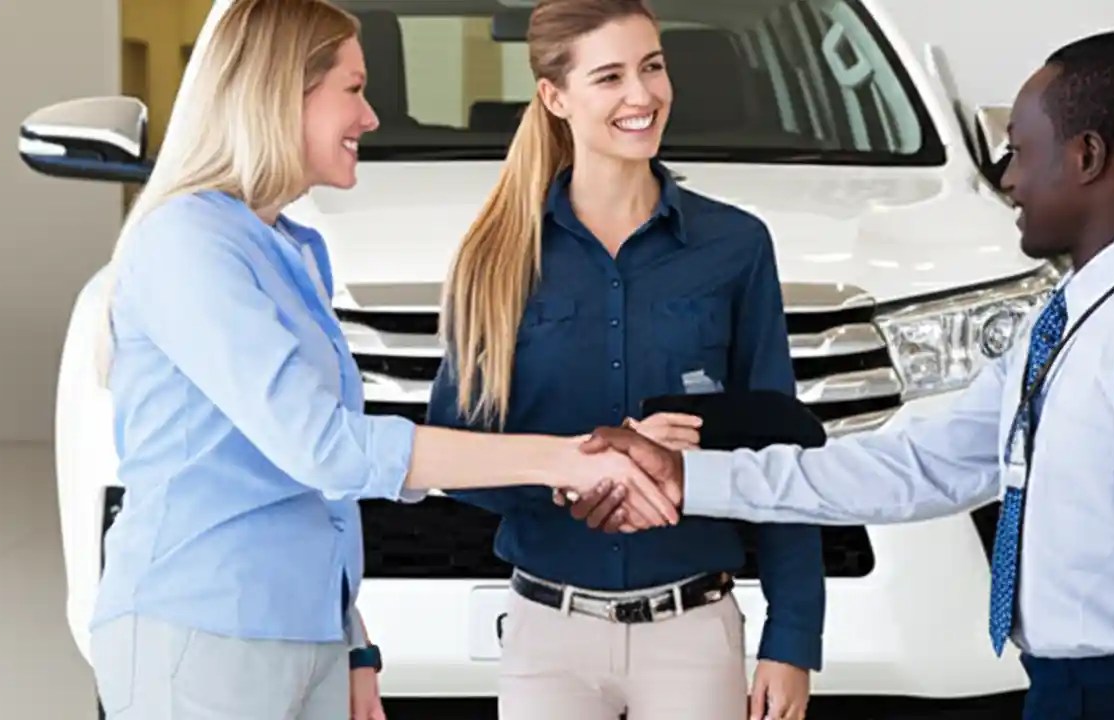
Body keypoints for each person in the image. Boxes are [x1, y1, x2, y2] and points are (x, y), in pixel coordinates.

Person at [583, 30, 1114, 720]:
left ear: (1086, 157)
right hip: (1064, 689)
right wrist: (687, 477)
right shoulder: (1067, 319)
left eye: (1020, 152)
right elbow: (919, 466)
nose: (1008, 179)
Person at [85, 2, 676, 719]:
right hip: (201, 632)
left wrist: (351, 644)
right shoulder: (187, 243)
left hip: (306, 635)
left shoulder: (294, 250)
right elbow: (324, 447)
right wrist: (562, 460)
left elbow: (315, 496)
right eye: (355, 89)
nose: (369, 118)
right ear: (281, 93)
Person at [425, 1, 824, 718]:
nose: (642, 95)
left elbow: (781, 447)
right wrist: (572, 474)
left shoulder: (736, 246)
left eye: (652, 67)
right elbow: (452, 453)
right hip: (547, 637)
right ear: (555, 97)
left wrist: (791, 637)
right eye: (609, 77)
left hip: (693, 631)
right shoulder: (497, 255)